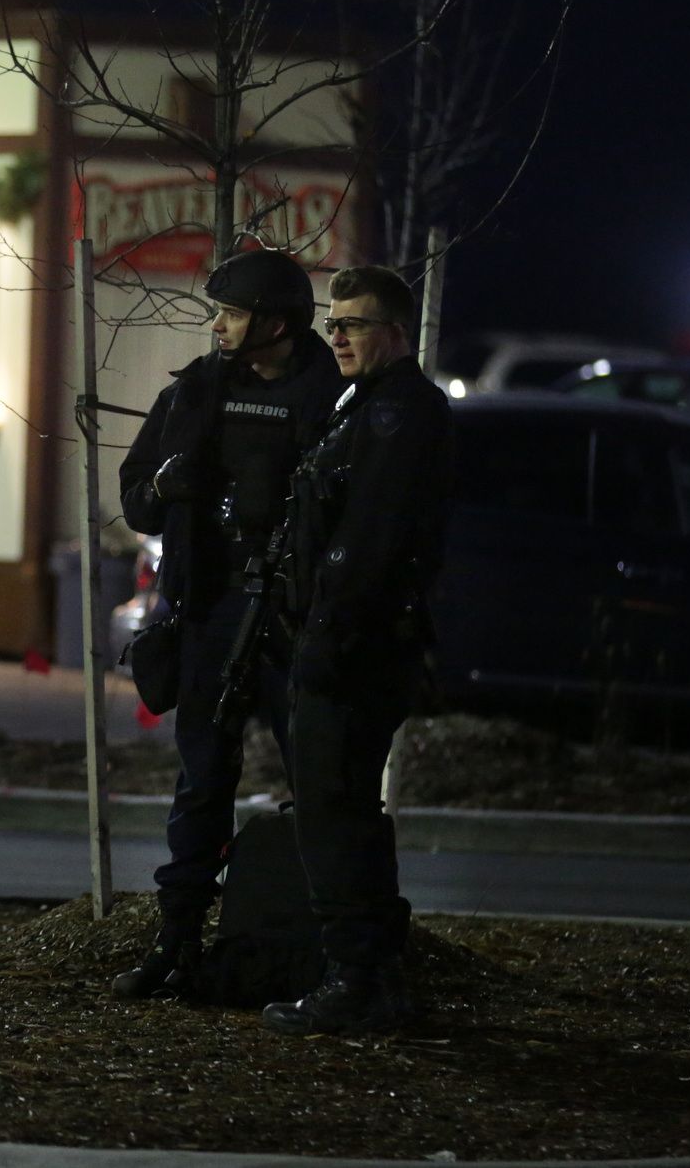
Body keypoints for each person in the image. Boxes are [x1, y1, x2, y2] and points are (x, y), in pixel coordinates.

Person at [111, 247, 344, 1000]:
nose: (219, 325)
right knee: (202, 784)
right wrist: (164, 486)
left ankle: (330, 959)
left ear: (274, 322)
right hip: (210, 613)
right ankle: (177, 943)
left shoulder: (332, 398)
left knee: (319, 787)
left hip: (292, 619)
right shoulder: (198, 392)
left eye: (233, 313)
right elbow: (137, 497)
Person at [261, 264, 451, 1036]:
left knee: (332, 814)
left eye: (354, 323)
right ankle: (377, 978)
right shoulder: (367, 406)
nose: (336, 335)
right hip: (351, 641)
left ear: (395, 333)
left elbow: (366, 545)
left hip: (354, 647)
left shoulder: (396, 415)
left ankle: (354, 979)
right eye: (332, 323)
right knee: (349, 810)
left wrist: (323, 639)